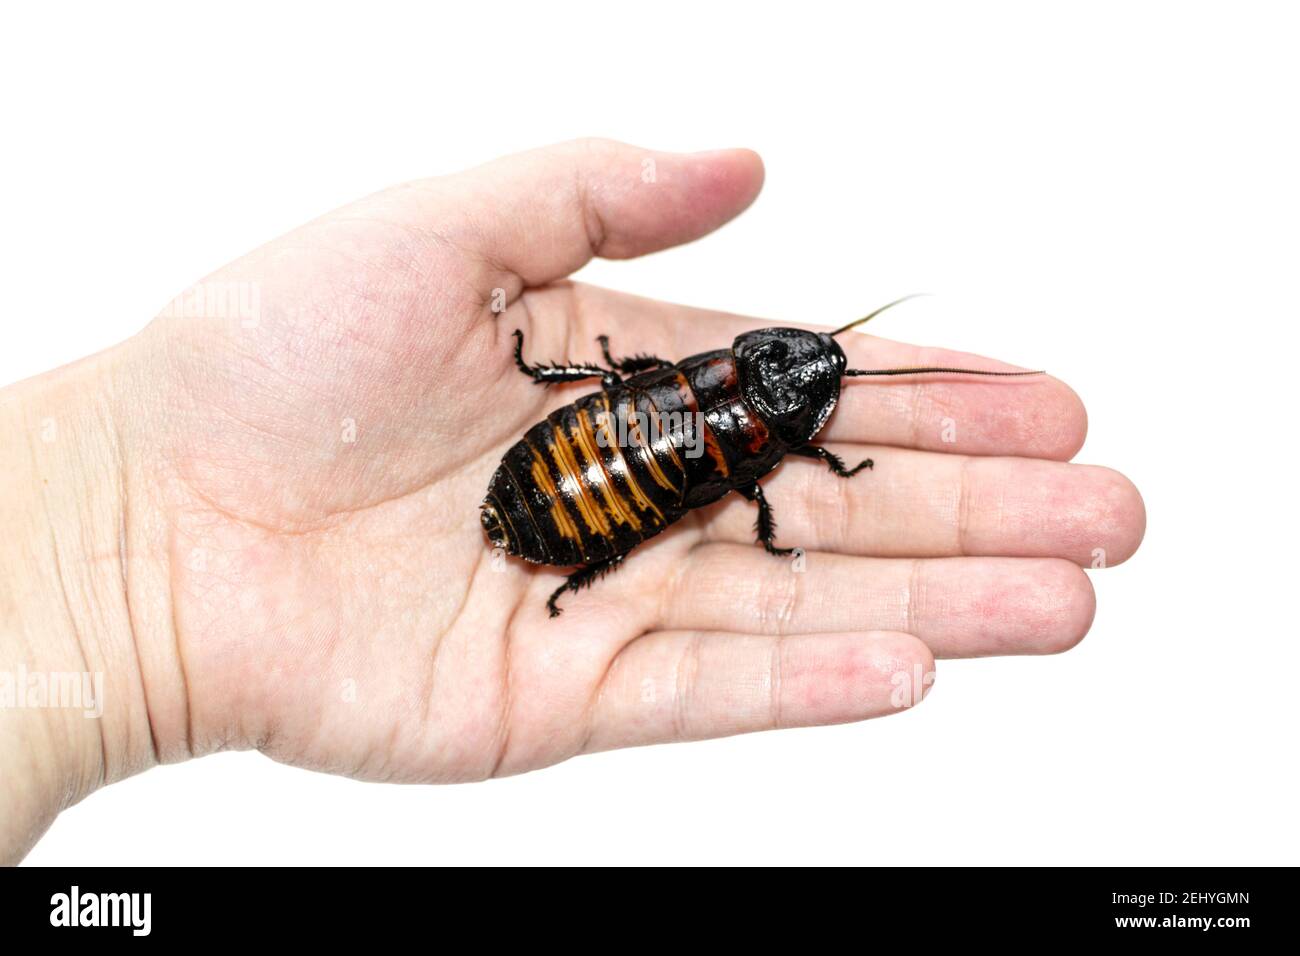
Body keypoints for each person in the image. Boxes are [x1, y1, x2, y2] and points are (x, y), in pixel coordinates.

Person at [0, 140, 1145, 864]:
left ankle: (589, 542)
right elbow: (720, 477)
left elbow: (641, 405)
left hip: (590, 459)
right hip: (567, 486)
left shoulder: (721, 401)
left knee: (625, 421)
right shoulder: (749, 442)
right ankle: (589, 542)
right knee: (644, 452)